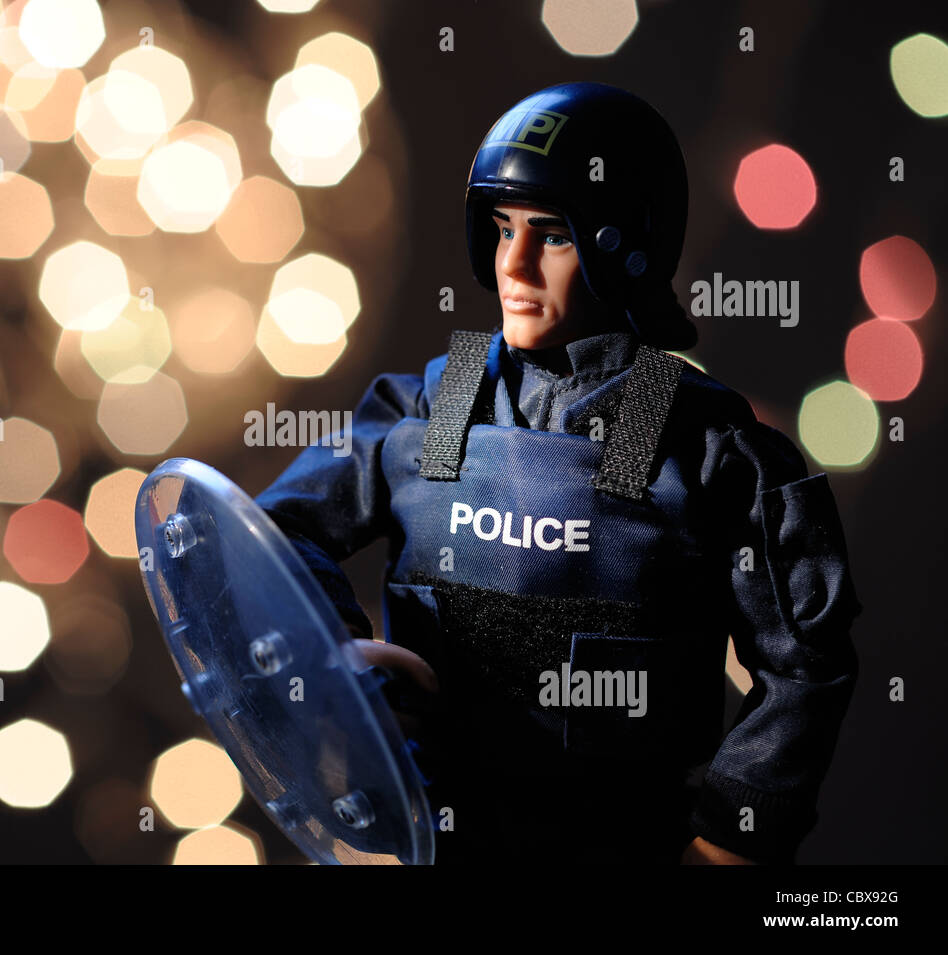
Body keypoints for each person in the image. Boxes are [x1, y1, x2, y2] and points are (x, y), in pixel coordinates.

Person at [254, 82, 861, 865]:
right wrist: (334, 652)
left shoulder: (703, 447)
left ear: (624, 251)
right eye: (501, 228)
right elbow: (272, 534)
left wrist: (730, 834)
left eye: (553, 236)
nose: (515, 264)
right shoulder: (436, 406)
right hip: (425, 833)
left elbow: (807, 662)